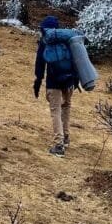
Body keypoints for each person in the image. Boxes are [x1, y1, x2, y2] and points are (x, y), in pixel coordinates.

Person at [34, 15, 78, 157]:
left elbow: (40, 63)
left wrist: (38, 80)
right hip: (69, 81)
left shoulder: (45, 41)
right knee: (66, 107)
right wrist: (76, 80)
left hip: (54, 83)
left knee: (56, 111)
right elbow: (76, 59)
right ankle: (65, 138)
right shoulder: (67, 40)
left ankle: (59, 146)